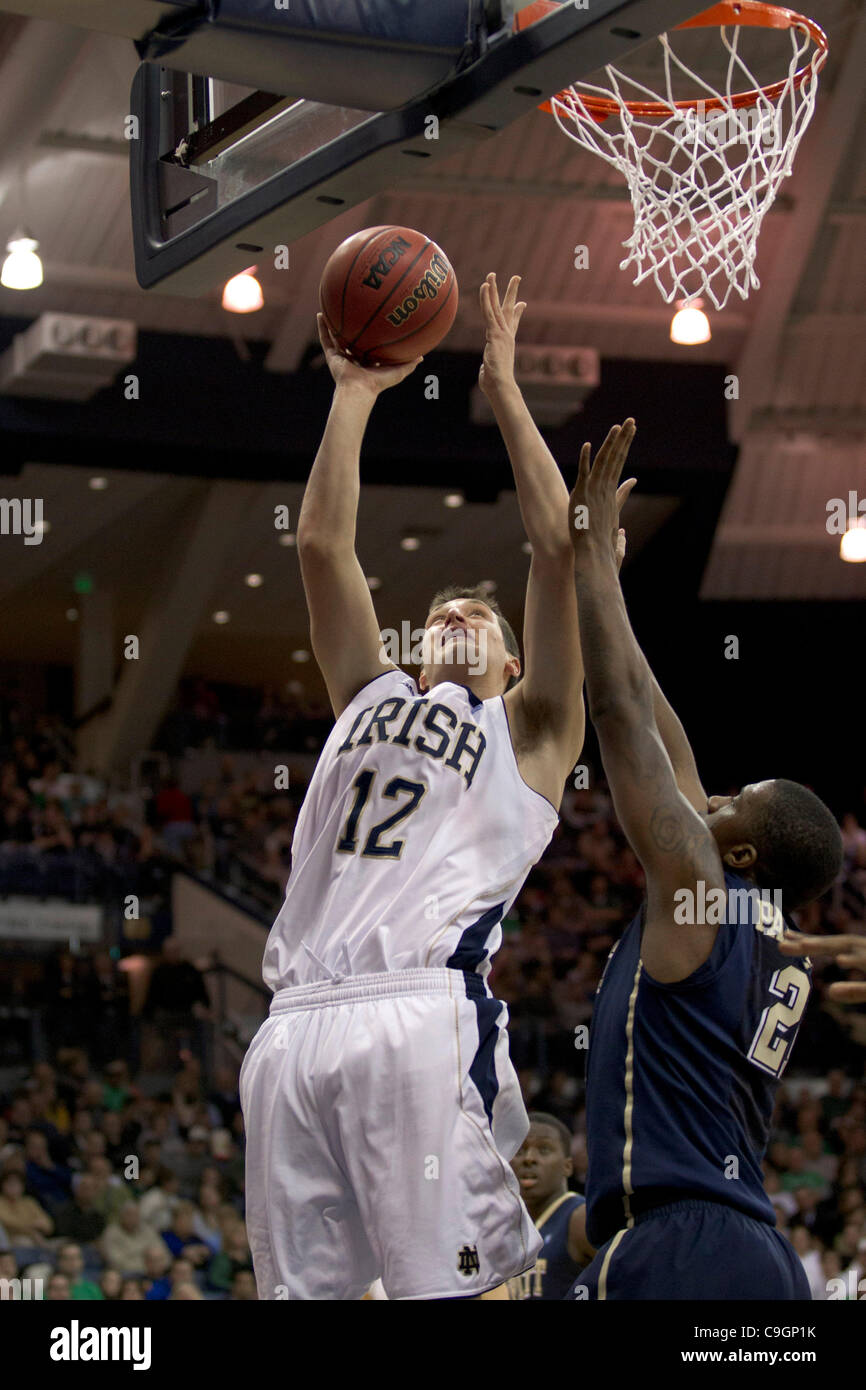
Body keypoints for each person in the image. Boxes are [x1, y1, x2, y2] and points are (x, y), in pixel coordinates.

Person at [241, 273, 592, 1300]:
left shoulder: (526, 731)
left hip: (415, 1015)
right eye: (437, 609)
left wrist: (504, 389)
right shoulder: (367, 693)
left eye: (475, 618)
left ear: (514, 663)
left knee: (473, 1287)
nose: (450, 616)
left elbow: (556, 550)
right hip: (291, 1021)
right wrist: (352, 389)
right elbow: (318, 546)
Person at [565, 423, 844, 1300]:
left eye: (731, 802)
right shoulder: (764, 927)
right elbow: (657, 717)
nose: (712, 798)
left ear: (746, 848)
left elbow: (616, 710)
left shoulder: (698, 892)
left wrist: (581, 563)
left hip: (678, 1247)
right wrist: (609, 578)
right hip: (762, 1259)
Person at [507, 1112, 594, 1299]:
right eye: (519, 1151)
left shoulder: (579, 1217)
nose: (529, 1158)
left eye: (544, 1149)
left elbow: (628, 1276)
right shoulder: (501, 1227)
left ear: (568, 1166)